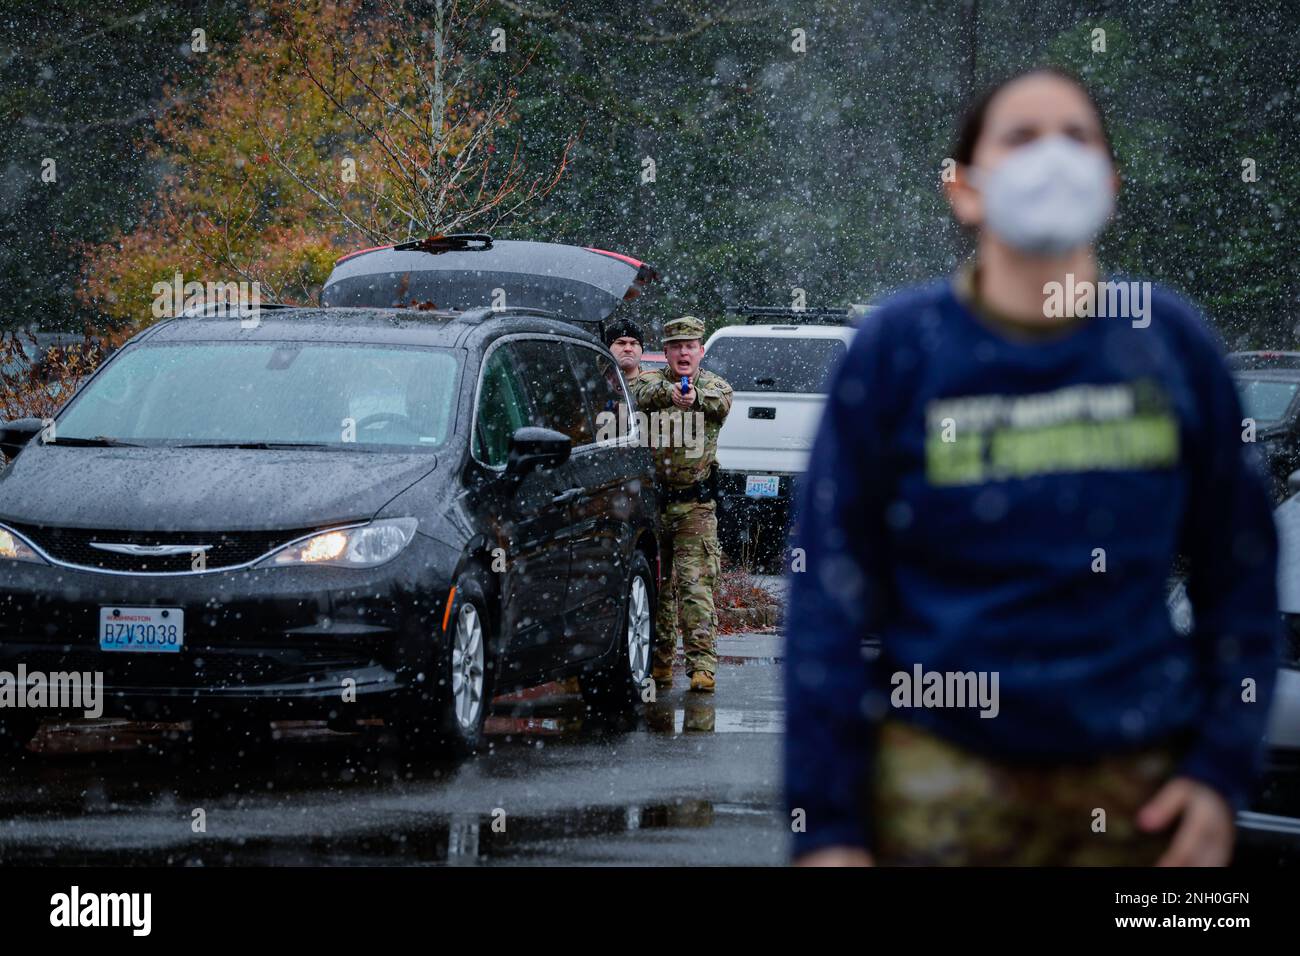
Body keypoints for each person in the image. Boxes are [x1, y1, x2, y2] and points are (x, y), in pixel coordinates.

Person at [786, 67, 1280, 866]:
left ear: (1110, 184)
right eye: (1020, 137)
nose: (1052, 157)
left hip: (1140, 804)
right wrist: (827, 829)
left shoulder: (1168, 342)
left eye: (1076, 137)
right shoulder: (899, 351)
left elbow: (1242, 576)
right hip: (936, 798)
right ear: (966, 189)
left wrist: (1220, 774)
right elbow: (828, 601)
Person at [631, 316, 733, 692]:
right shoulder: (651, 383)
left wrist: (693, 398)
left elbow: (720, 403)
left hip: (695, 507)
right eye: (676, 347)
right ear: (667, 352)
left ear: (701, 351)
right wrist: (670, 395)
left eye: (690, 346)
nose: (683, 352)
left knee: (695, 588)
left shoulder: (713, 386)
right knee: (658, 589)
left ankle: (701, 666)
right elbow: (641, 393)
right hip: (654, 507)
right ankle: (658, 664)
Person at [605, 318, 646, 386]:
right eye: (621, 343)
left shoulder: (655, 387)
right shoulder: (593, 382)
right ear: (608, 348)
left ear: (641, 350)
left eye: (633, 343)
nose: (628, 349)